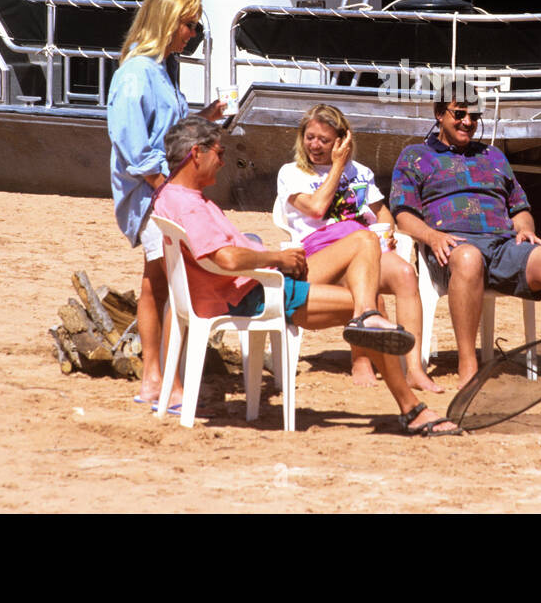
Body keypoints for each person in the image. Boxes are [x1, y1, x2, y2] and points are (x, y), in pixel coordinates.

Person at [154, 117, 461, 436]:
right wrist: (276, 257)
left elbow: (219, 252)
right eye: (219, 152)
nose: (223, 161)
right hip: (254, 293)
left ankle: (367, 320)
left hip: (244, 287)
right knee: (369, 292)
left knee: (364, 242)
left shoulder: (170, 194)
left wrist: (263, 253)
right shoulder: (191, 206)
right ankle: (411, 407)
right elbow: (227, 258)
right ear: (196, 153)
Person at [390, 82, 541, 383]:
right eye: (459, 114)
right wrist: (431, 237)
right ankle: (469, 366)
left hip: (503, 247)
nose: (468, 122)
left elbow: (519, 207)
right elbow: (402, 214)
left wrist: (526, 230)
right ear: (439, 114)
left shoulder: (493, 157)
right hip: (451, 250)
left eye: (474, 116)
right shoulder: (415, 156)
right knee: (468, 257)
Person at [106, 0, 222, 410]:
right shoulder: (137, 73)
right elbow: (132, 143)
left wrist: (202, 120)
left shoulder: (157, 68)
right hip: (155, 193)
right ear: (169, 23)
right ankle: (165, 380)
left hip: (162, 189)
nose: (192, 33)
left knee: (158, 282)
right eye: (189, 25)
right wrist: (163, 188)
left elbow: (159, 134)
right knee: (173, 283)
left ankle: (155, 377)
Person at [276, 104, 442, 393]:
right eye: (310, 137)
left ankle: (414, 369)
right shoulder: (292, 173)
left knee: (404, 272)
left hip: (364, 250)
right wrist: (338, 166)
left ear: (341, 140)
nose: (314, 145)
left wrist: (388, 233)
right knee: (364, 248)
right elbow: (316, 209)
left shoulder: (361, 172)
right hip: (318, 258)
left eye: (324, 140)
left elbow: (383, 214)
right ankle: (361, 358)